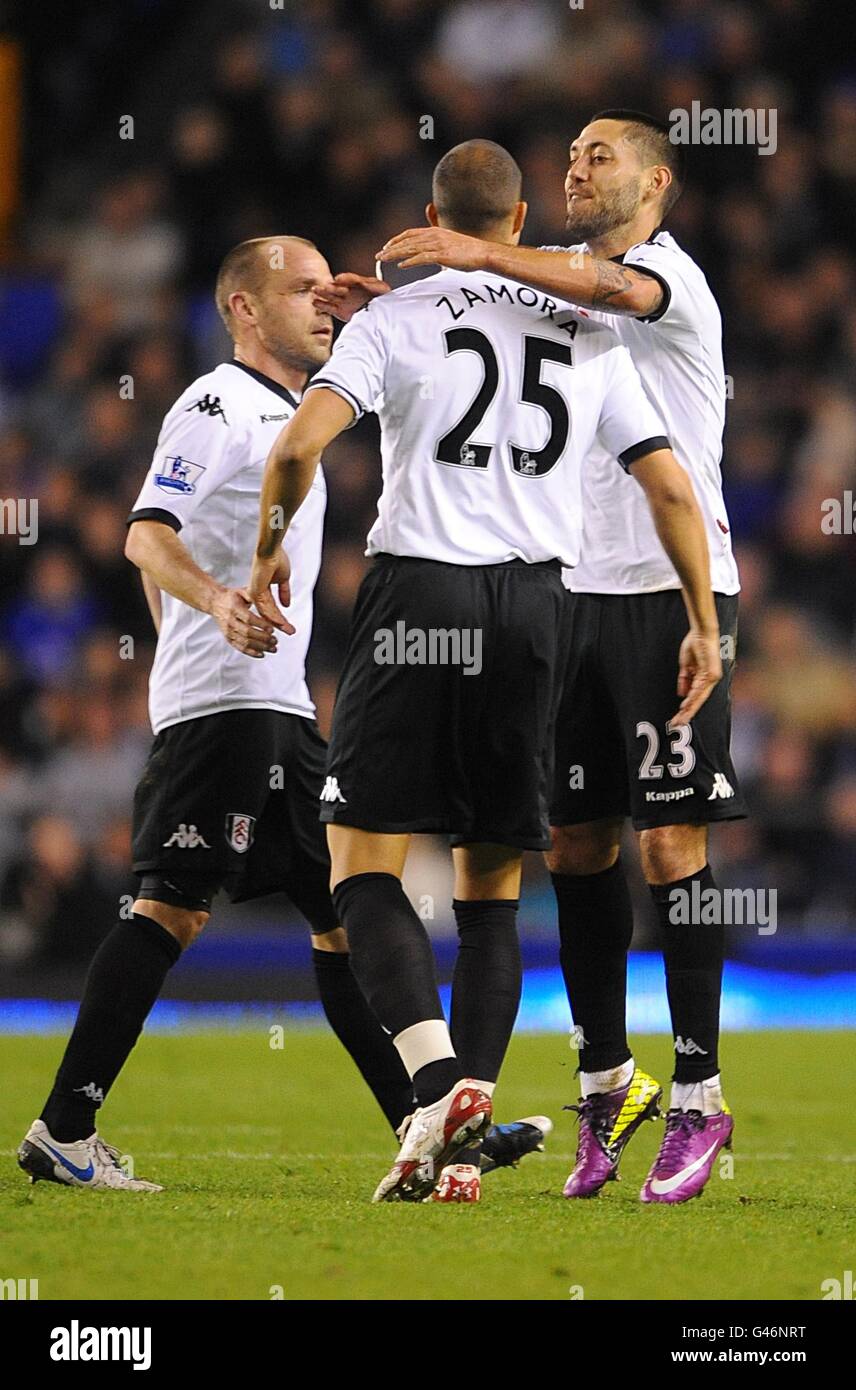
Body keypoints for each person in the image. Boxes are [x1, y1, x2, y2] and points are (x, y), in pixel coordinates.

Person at [249, 140, 722, 1204]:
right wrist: (703, 617)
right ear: (520, 226)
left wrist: (270, 543)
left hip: (423, 594)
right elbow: (670, 488)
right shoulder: (590, 329)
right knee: (493, 886)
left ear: (435, 213)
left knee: (359, 860)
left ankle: (432, 1086)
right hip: (539, 610)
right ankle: (462, 1138)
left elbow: (295, 449)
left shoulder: (391, 321)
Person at [369, 111, 745, 1204]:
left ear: (658, 180)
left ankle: (698, 1098)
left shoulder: (669, 281)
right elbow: (475, 334)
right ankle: (605, 1078)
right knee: (576, 846)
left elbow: (605, 292)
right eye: (571, 156)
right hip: (568, 590)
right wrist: (386, 310)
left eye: (604, 154)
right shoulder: (547, 286)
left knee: (671, 845)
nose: (580, 167)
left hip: (672, 595)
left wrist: (474, 248)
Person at [17, 236, 418, 1191]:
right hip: (224, 705)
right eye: (303, 292)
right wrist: (217, 607)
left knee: (344, 915)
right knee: (171, 906)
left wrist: (384, 304)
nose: (325, 307)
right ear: (244, 309)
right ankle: (66, 1128)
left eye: (331, 292)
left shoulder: (295, 412)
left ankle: (426, 1118)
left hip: (274, 705)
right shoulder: (217, 404)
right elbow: (145, 536)